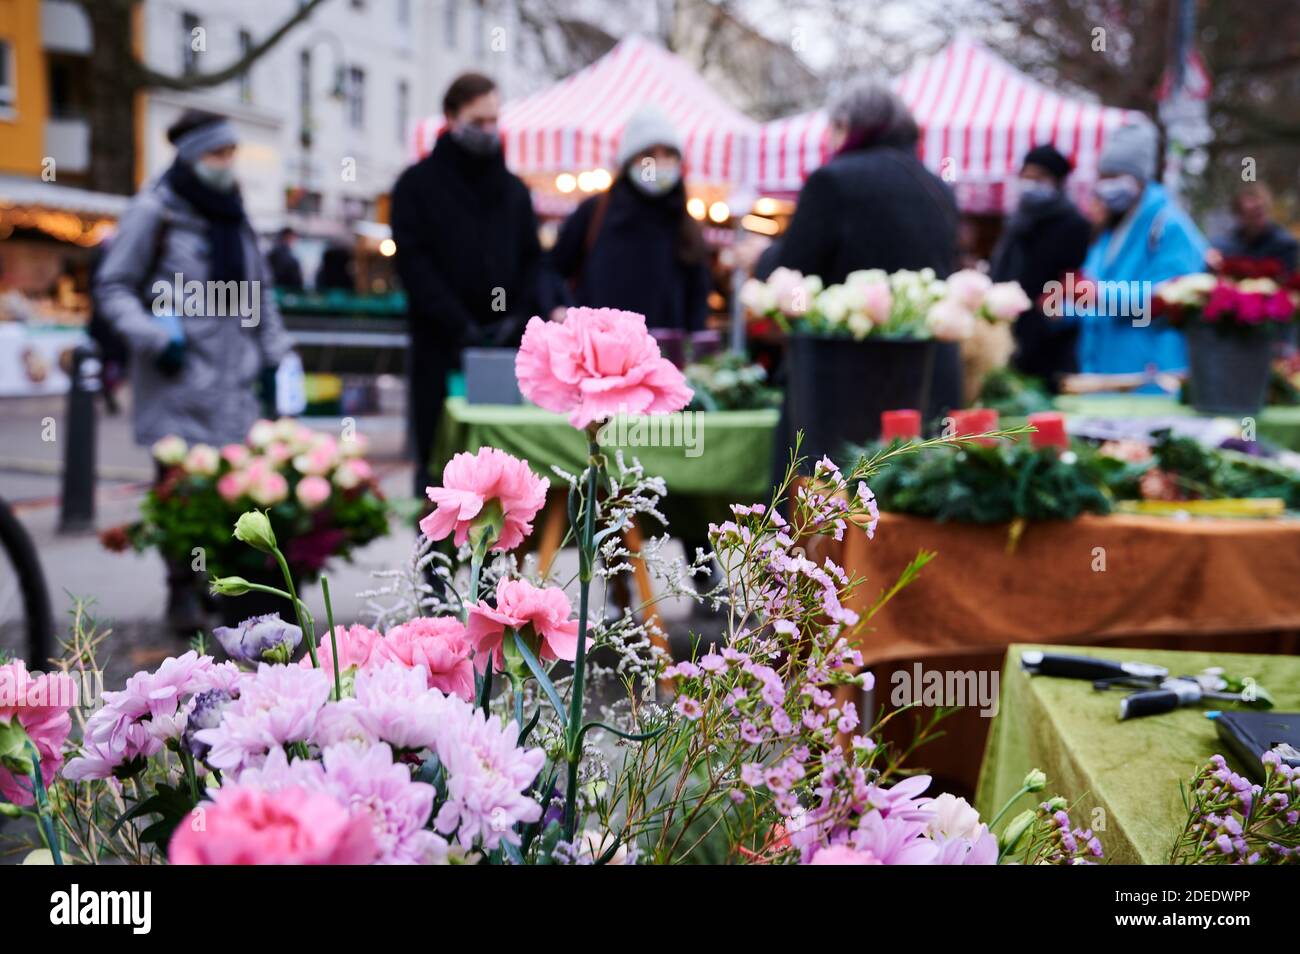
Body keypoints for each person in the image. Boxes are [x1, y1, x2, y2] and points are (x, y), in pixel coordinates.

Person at [93, 109, 295, 635]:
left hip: (234, 384)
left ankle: (220, 592)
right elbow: (114, 287)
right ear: (190, 156)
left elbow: (260, 294)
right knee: (180, 494)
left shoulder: (234, 214)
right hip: (177, 383)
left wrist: (279, 357)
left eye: (232, 153)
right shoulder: (153, 211)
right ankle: (180, 590)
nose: (228, 164)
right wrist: (157, 340)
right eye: (217, 154)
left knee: (233, 493)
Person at [390, 72, 553, 496]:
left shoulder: (514, 191)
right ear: (451, 117)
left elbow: (532, 262)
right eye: (477, 121)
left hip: (504, 348)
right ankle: (434, 560)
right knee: (438, 463)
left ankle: (500, 557)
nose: (487, 131)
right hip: (438, 347)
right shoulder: (416, 185)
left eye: (493, 120)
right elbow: (415, 265)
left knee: (504, 464)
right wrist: (458, 323)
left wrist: (515, 317)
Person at [771, 81, 962, 417]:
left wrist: (761, 258)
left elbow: (795, 270)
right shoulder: (937, 187)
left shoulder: (832, 181)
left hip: (845, 378)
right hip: (927, 376)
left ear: (846, 125)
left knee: (836, 471)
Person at [550, 105, 711, 332]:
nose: (658, 163)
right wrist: (563, 309)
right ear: (630, 160)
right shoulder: (595, 212)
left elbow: (697, 301)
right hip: (596, 356)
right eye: (649, 155)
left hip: (663, 359)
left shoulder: (684, 223)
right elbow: (552, 269)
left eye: (668, 154)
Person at [1075, 119, 1208, 375]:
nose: (1107, 184)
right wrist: (1064, 305)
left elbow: (1171, 298)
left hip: (1152, 374)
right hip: (1104, 372)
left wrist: (1098, 295)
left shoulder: (1170, 227)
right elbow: (1093, 290)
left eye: (1116, 176)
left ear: (1140, 178)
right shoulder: (1111, 228)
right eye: (1104, 176)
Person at [989, 144, 1093, 389]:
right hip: (1012, 324)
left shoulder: (1075, 224)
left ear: (1057, 182)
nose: (1031, 183)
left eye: (1039, 177)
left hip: (1052, 335)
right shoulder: (1019, 219)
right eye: (1026, 176)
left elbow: (1075, 279)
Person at [1214, 184, 1298, 275]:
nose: (1256, 216)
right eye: (1251, 214)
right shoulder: (1225, 245)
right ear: (1239, 215)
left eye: (1260, 211)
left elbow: (1289, 280)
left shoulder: (1285, 245)